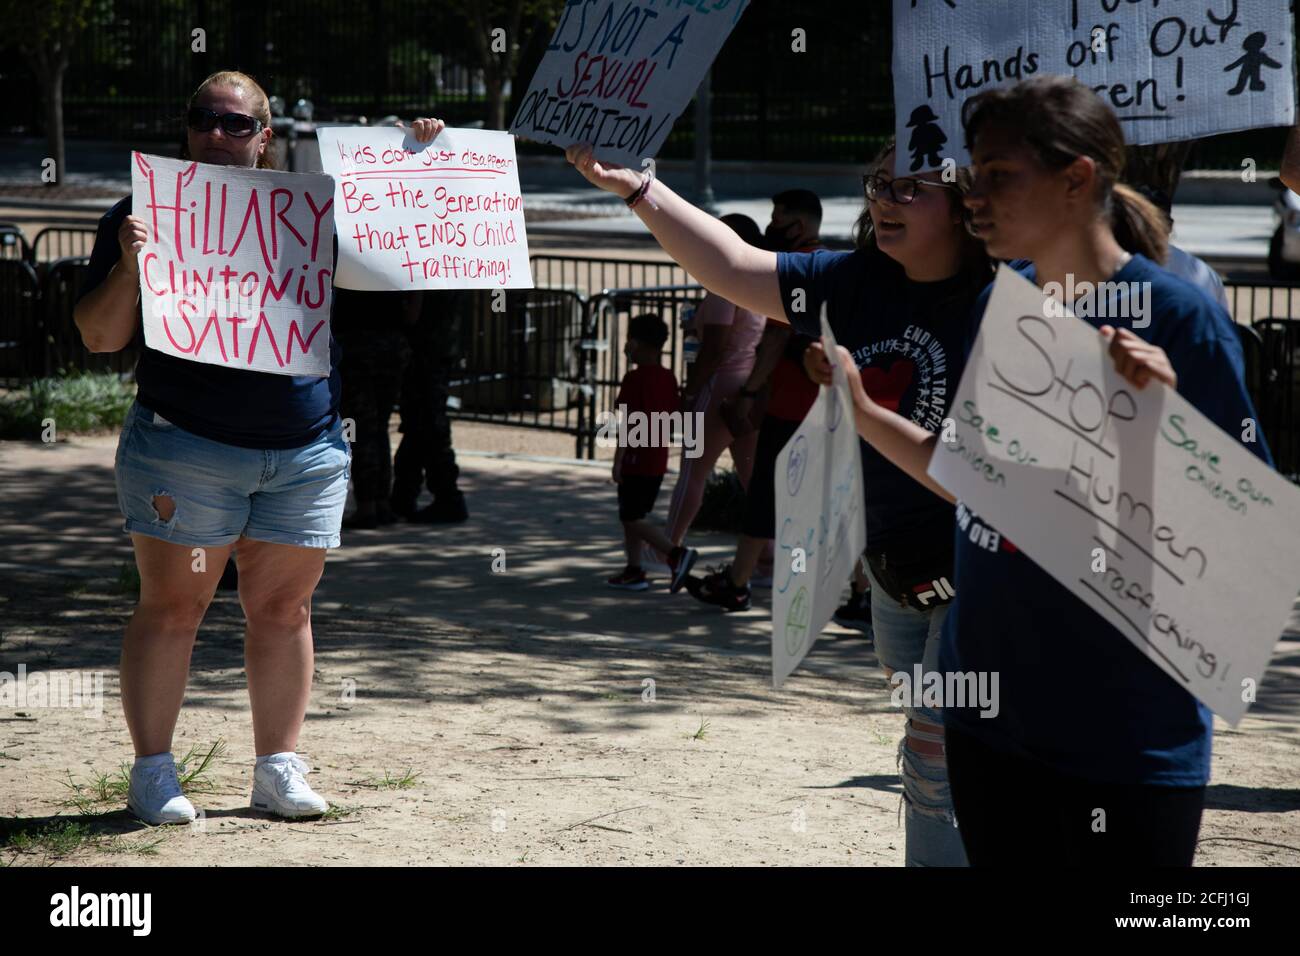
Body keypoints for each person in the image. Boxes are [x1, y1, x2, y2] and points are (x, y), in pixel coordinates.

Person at [827, 75, 1273, 866]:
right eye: (975, 175)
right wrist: (862, 412)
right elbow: (975, 479)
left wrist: (1162, 425)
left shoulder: (1181, 321)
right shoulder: (1006, 303)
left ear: (1077, 180)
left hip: (1124, 736)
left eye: (1000, 176)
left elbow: (1241, 555)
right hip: (990, 725)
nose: (974, 198)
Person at [564, 133, 994, 867]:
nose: (885, 200)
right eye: (878, 184)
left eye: (909, 188)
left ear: (961, 205)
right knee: (950, 755)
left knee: (934, 757)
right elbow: (734, 266)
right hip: (893, 573)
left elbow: (990, 472)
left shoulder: (1004, 298)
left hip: (980, 572)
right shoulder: (853, 279)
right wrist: (639, 189)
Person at [73, 68, 444, 824]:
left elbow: (404, 247)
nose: (216, 133)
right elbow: (100, 337)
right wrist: (128, 267)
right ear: (187, 127)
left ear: (264, 136)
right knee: (174, 607)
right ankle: (153, 773)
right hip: (184, 447)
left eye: (235, 123)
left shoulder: (310, 211)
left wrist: (414, 158)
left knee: (284, 609)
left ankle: (277, 769)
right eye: (203, 118)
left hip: (305, 451)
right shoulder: (141, 211)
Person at [688, 191, 823, 610]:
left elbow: (778, 338)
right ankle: (845, 587)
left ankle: (738, 582)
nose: (771, 227)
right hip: (815, 406)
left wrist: (749, 393)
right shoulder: (829, 265)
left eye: (778, 219)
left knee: (765, 494)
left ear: (799, 225)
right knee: (811, 497)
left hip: (792, 406)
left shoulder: (800, 269)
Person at [662, 214, 768, 553]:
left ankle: (666, 548)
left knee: (692, 471)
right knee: (752, 477)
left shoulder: (725, 283)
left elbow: (714, 348)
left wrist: (691, 391)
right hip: (746, 381)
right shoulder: (757, 282)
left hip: (719, 382)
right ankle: (768, 556)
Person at [606, 314, 698, 592]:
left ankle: (676, 554)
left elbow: (628, 422)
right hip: (657, 458)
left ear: (638, 343)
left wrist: (618, 460)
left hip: (637, 458)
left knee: (631, 517)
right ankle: (634, 568)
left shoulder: (634, 379)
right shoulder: (668, 378)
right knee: (633, 515)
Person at [335, 288, 417, 529]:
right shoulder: (395, 265)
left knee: (362, 428)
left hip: (357, 343)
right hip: (391, 341)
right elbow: (413, 307)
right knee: (379, 427)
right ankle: (380, 501)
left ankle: (368, 504)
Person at [391, 289, 470, 524]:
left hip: (427, 348)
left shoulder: (432, 277)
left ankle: (447, 496)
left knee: (428, 423)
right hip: (437, 346)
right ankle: (404, 496)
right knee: (419, 423)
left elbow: (413, 314)